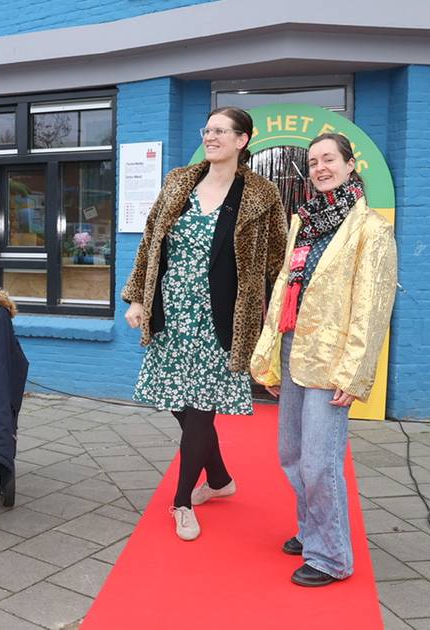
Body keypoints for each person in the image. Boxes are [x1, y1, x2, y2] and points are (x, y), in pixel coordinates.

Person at [123, 107, 287, 541]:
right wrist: (138, 296)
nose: (211, 137)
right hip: (172, 311)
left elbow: (277, 263)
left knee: (198, 410)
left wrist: (275, 320)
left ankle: (180, 502)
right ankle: (218, 478)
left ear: (242, 140)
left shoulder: (261, 195)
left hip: (223, 317)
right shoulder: (180, 181)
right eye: (207, 130)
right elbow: (150, 240)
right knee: (180, 402)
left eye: (220, 131)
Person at [250, 132, 397, 587]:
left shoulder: (372, 230)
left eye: (329, 159)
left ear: (351, 165)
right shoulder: (306, 223)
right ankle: (310, 527)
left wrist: (355, 374)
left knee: (319, 461)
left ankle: (331, 556)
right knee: (290, 453)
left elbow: (372, 308)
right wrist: (268, 355)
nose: (320, 168)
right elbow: (282, 292)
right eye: (313, 162)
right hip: (295, 350)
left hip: (334, 360)